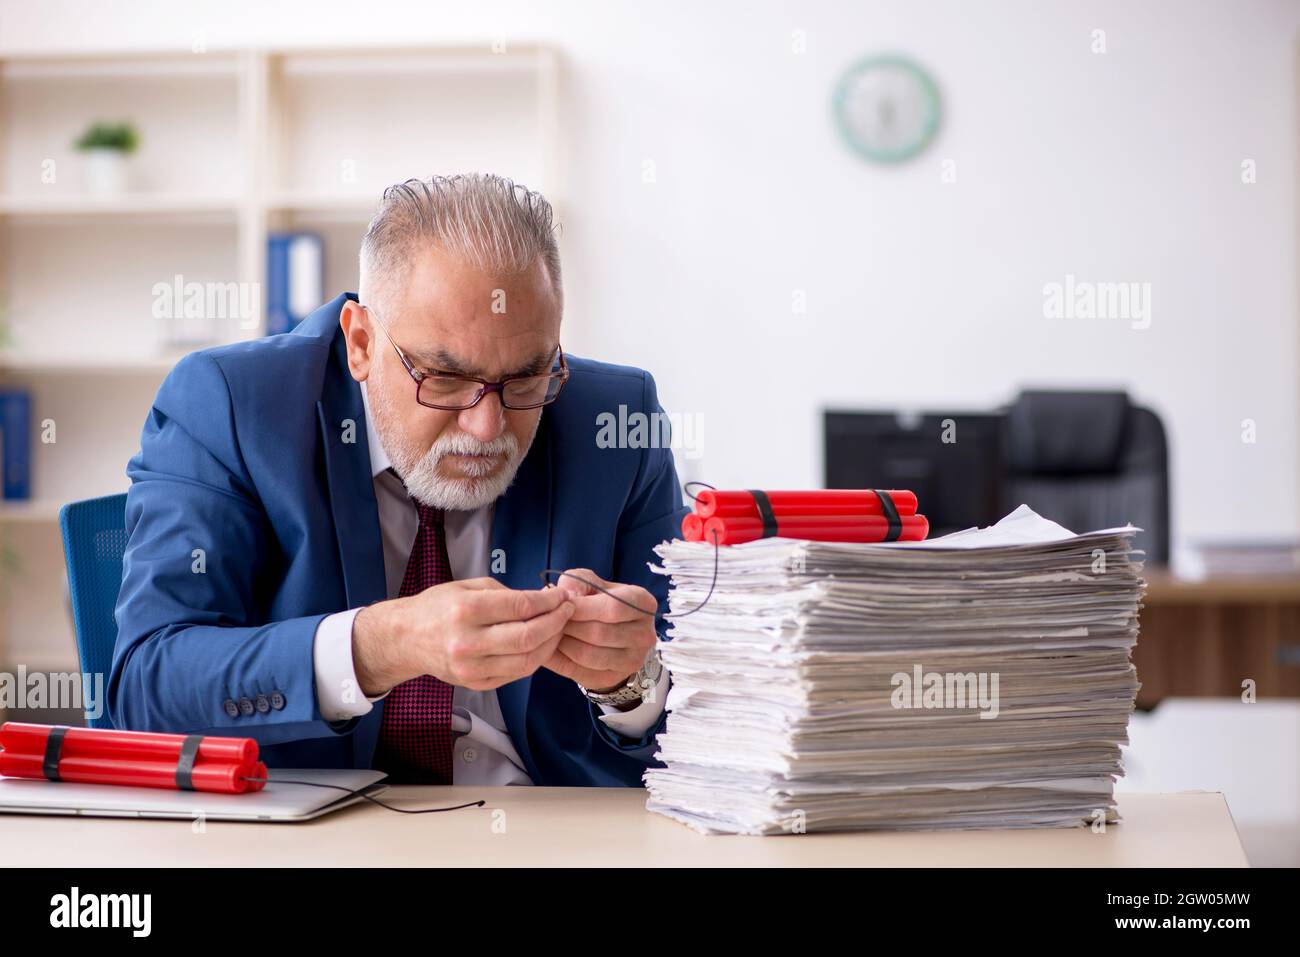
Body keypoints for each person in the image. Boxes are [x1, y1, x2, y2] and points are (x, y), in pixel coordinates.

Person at [110, 174, 689, 787]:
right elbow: (149, 687)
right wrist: (379, 646)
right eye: (443, 378)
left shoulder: (615, 422)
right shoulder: (231, 406)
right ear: (360, 342)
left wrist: (631, 684)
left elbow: (717, 703)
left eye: (525, 380)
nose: (487, 426)